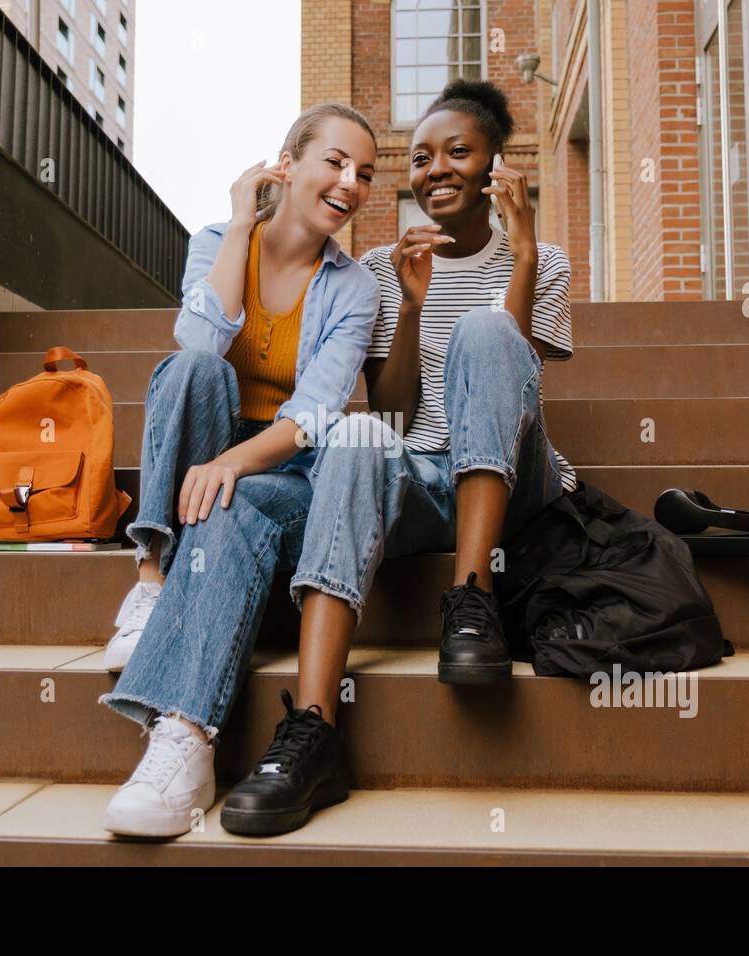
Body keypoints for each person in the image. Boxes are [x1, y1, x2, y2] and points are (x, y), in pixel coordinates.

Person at [218, 79, 575, 836]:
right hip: (425, 478)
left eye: (457, 152)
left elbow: (513, 388)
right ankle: (313, 733)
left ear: (493, 168)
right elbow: (395, 412)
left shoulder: (544, 259)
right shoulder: (382, 269)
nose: (436, 168)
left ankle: (471, 602)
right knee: (358, 434)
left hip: (517, 482)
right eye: (419, 157)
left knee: (484, 334)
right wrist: (411, 305)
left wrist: (523, 255)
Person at [98, 103, 379, 839]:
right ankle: (151, 579)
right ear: (285, 165)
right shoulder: (217, 241)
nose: (352, 183)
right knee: (193, 370)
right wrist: (242, 224)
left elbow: (317, 412)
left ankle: (184, 745)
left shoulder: (354, 289)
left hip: (285, 466)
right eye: (336, 162)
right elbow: (197, 336)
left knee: (237, 499)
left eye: (366, 173)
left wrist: (234, 463)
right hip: (206, 439)